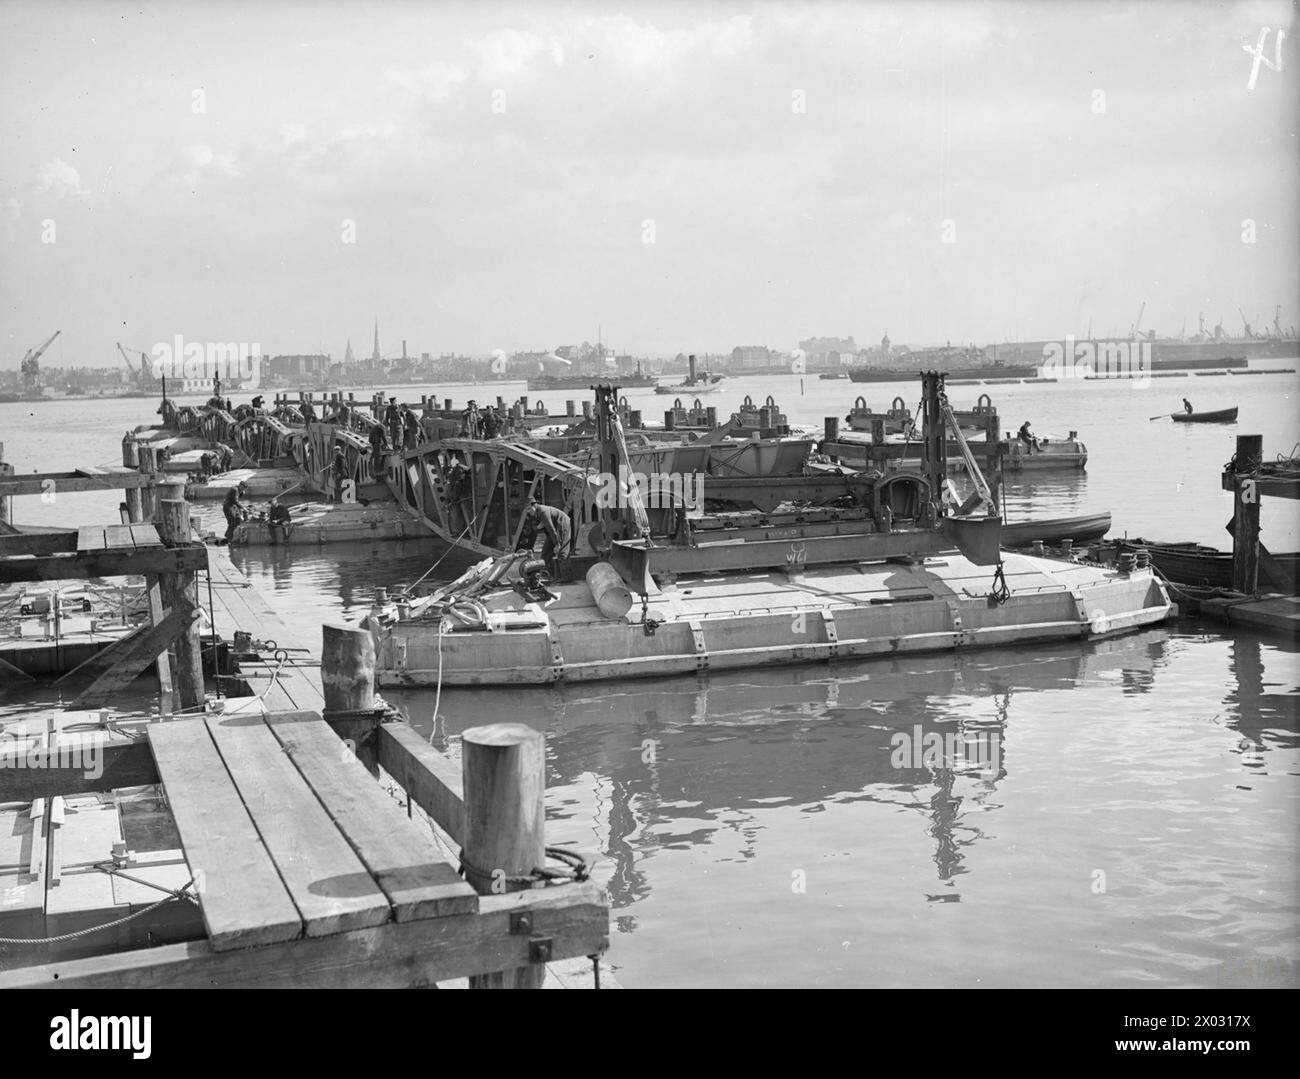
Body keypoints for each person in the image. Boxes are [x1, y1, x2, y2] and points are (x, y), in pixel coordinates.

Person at [516, 500, 572, 574]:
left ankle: (565, 576)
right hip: (554, 529)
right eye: (527, 510)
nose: (529, 512)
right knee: (545, 552)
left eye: (529, 509)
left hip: (562, 524)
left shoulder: (543, 512)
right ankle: (546, 572)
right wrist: (538, 527)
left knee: (562, 551)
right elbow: (534, 528)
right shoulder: (535, 514)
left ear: (534, 506)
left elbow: (551, 528)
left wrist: (557, 544)